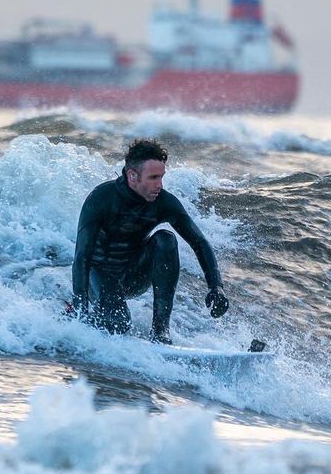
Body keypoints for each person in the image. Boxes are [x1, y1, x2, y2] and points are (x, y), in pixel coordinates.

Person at [70, 139, 229, 343]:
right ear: (132, 176)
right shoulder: (101, 198)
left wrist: (216, 286)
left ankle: (160, 332)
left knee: (166, 239)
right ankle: (80, 315)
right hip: (99, 276)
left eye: (161, 177)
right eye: (153, 177)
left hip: (133, 275)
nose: (159, 185)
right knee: (118, 324)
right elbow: (82, 257)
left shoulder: (163, 202)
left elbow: (199, 242)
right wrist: (79, 310)